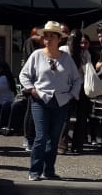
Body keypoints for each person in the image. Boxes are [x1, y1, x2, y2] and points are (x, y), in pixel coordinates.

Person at [19, 21, 81, 181]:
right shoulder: (37, 55)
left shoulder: (66, 58)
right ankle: (34, 170)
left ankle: (49, 170)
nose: (47, 39)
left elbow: (77, 79)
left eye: (51, 36)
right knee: (41, 136)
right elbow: (23, 75)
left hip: (60, 101)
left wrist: (71, 95)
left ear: (59, 39)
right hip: (40, 100)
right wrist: (32, 89)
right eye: (45, 36)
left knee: (54, 138)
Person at [60, 30, 93, 155]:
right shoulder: (84, 53)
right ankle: (77, 145)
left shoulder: (64, 50)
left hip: (69, 86)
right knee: (79, 117)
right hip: (80, 86)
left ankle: (63, 145)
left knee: (66, 117)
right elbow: (87, 71)